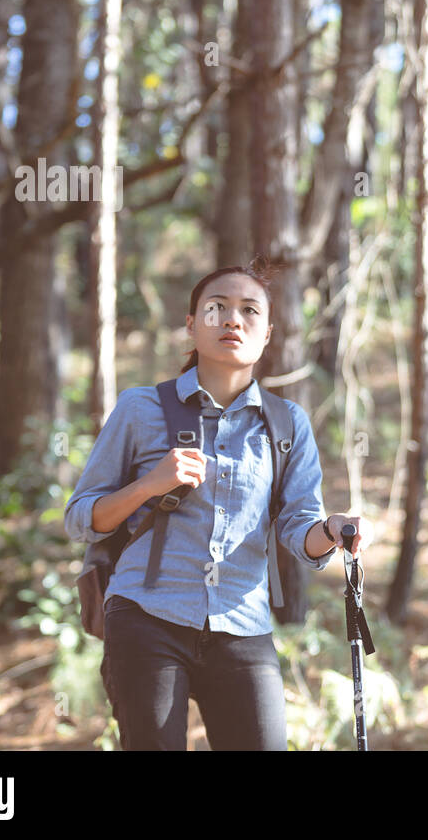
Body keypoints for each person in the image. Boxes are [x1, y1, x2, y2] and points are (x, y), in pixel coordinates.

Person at [63, 259, 374, 750]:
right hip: (147, 615)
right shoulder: (140, 408)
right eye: (217, 308)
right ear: (192, 324)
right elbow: (82, 518)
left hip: (242, 623)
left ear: (267, 333)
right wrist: (149, 484)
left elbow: (298, 529)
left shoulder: (287, 424)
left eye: (249, 311)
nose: (233, 320)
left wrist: (333, 529)